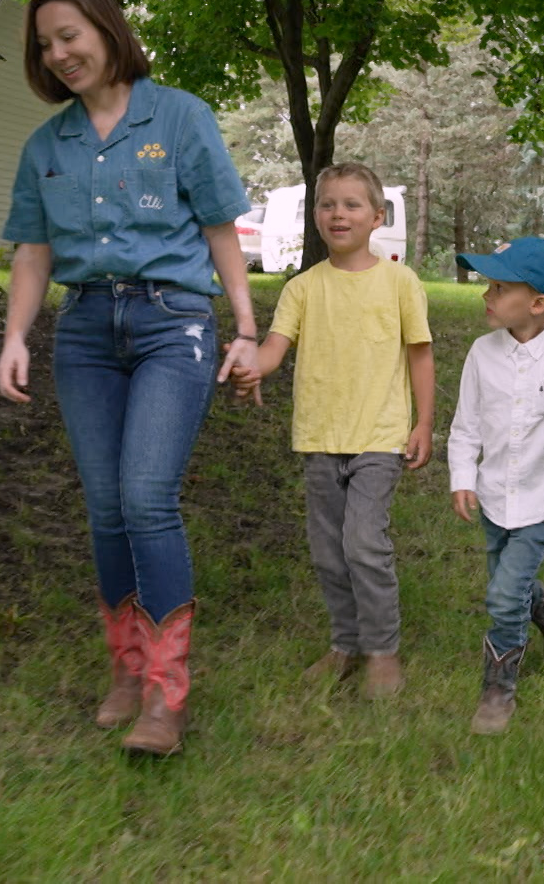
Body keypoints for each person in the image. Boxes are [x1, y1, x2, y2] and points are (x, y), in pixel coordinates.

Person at [0, 0, 259, 757]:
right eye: (46, 44)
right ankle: (127, 663)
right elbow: (33, 251)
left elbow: (219, 228)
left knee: (147, 497)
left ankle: (166, 694)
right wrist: (15, 337)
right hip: (83, 332)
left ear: (107, 29)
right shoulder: (47, 145)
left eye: (69, 35)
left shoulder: (178, 116)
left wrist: (244, 327)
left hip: (170, 323)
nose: (59, 53)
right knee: (106, 506)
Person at [230, 163, 434, 700]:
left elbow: (420, 354)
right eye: (327, 205)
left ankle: (383, 652)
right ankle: (346, 644)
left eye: (351, 205)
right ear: (314, 215)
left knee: (364, 543)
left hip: (379, 437)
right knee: (328, 550)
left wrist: (425, 423)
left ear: (377, 216)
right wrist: (255, 365)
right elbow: (276, 346)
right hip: (319, 437)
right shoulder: (302, 287)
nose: (338, 214)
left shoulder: (399, 282)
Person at [446, 237, 544, 735]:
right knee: (511, 585)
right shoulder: (482, 353)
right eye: (488, 285)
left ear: (538, 303)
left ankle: (498, 690)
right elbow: (466, 425)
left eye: (499, 287)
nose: (486, 295)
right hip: (493, 496)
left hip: (542, 498)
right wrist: (463, 476)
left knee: (503, 597)